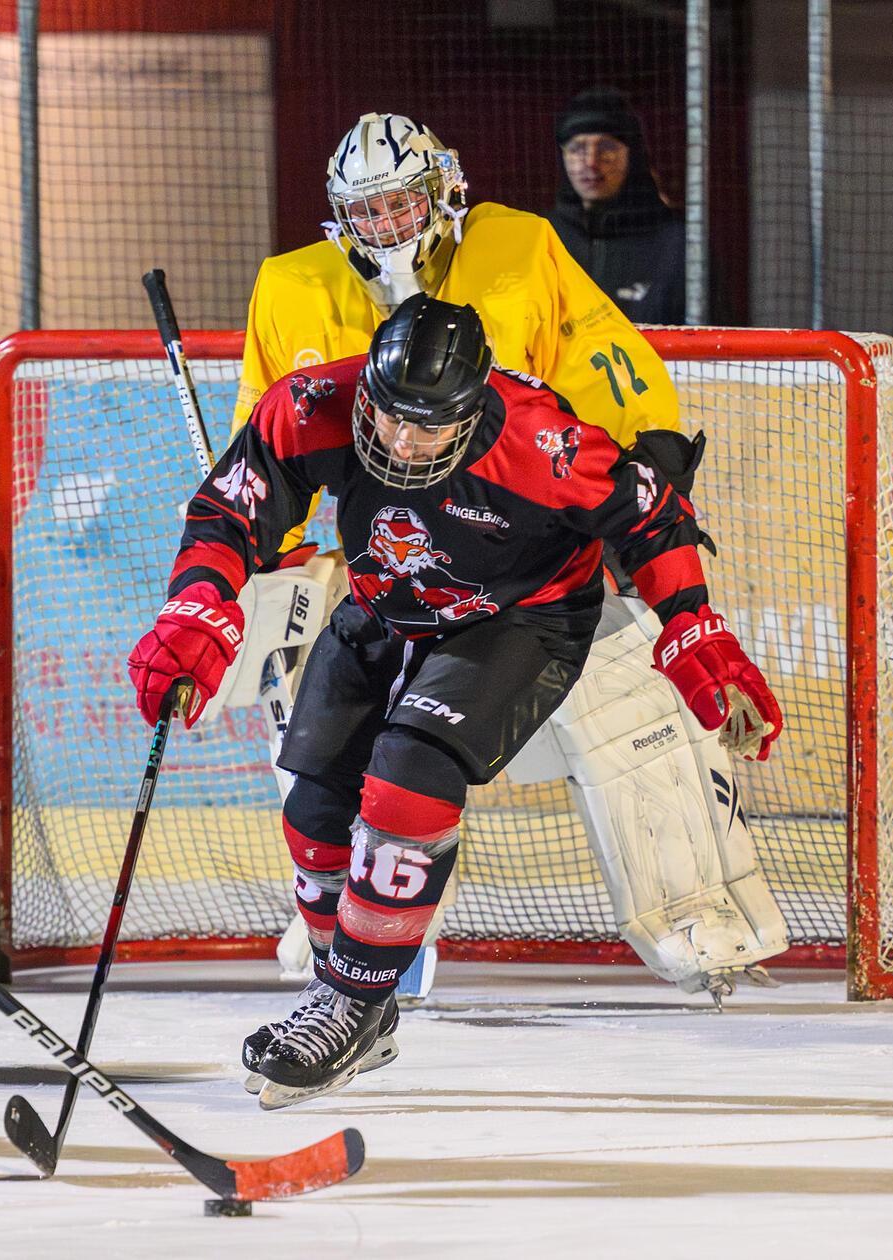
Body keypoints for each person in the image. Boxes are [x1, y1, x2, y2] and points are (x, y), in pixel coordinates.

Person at [132, 294, 780, 1108]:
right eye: (388, 414)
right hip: (382, 602)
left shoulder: (539, 440)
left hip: (520, 617)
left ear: (470, 414)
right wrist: (196, 608)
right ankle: (355, 999)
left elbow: (648, 511)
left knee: (409, 774)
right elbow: (230, 511)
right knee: (311, 811)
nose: (400, 441)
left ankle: (350, 1004)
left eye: (426, 426)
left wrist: (694, 627)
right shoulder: (310, 408)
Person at [234, 112, 788, 1026]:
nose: (387, 225)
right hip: (383, 566)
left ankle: (697, 912)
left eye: (401, 203)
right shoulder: (288, 284)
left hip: (533, 555)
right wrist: (269, 546)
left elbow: (603, 356)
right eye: (364, 210)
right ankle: (347, 936)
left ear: (443, 191)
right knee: (305, 721)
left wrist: (643, 456)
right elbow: (268, 433)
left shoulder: (518, 246)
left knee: (628, 702)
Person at [547, 87, 685, 325]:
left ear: (632, 155)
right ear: (563, 157)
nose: (591, 162)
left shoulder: (676, 244)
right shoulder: (545, 238)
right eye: (577, 149)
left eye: (607, 147)